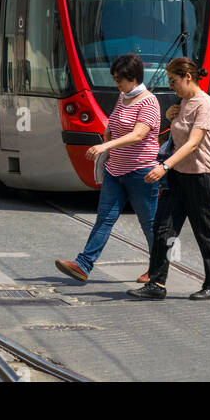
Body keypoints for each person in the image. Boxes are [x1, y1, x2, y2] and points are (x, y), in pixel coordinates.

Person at [55, 53, 160, 284]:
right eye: (114, 78)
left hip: (140, 172)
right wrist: (108, 135)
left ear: (132, 78)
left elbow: (139, 134)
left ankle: (157, 268)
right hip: (115, 170)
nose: (116, 83)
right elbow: (113, 123)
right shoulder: (123, 96)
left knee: (149, 223)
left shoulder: (148, 101)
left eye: (119, 79)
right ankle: (83, 265)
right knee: (104, 218)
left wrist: (106, 146)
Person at [128, 57, 210, 301]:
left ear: (188, 77)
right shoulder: (182, 103)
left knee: (206, 232)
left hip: (202, 176)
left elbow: (193, 143)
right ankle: (156, 283)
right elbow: (172, 141)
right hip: (179, 176)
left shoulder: (205, 104)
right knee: (163, 229)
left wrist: (164, 166)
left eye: (174, 81)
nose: (172, 86)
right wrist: (170, 119)